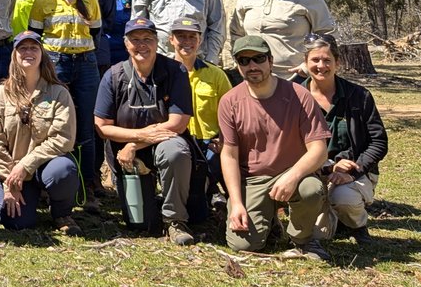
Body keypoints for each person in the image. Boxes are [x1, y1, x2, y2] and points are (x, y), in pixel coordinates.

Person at [218, 35, 331, 260]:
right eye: (244, 61)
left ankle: (303, 239)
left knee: (311, 189)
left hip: (293, 173)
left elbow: (319, 150)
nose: (252, 66)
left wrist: (292, 176)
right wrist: (237, 202)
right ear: (238, 66)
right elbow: (229, 155)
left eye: (258, 59)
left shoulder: (299, 95)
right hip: (253, 179)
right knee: (242, 245)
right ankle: (269, 221)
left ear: (270, 61)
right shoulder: (230, 101)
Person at [94, 19, 197, 245]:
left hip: (162, 143)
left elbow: (178, 123)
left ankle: (175, 220)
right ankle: (152, 201)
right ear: (125, 44)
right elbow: (102, 126)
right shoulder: (113, 75)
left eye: (148, 39)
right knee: (141, 224)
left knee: (174, 152)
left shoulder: (175, 71)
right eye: (135, 40)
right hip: (126, 156)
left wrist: (135, 143)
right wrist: (140, 137)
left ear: (157, 42)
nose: (142, 45)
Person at [28, 0, 103, 210]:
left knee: (85, 126)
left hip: (86, 63)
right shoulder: (42, 1)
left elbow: (96, 33)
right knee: (53, 123)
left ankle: (86, 186)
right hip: (55, 64)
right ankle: (52, 186)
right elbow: (35, 36)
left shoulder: (90, 1)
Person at [0, 32, 80, 233]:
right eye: (22, 48)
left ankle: (61, 213)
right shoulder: (0, 94)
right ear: (14, 55)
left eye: (34, 48)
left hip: (43, 166)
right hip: (10, 170)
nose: (28, 52)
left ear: (42, 54)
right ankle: (28, 196)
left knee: (63, 171)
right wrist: (8, 181)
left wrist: (26, 165)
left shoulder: (58, 92)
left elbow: (63, 138)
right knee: (16, 223)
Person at [302, 34, 388, 245]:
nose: (321, 66)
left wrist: (354, 171)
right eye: (315, 60)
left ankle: (357, 225)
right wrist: (327, 169)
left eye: (327, 60)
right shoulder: (295, 97)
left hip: (353, 170)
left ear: (337, 63)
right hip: (313, 170)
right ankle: (333, 218)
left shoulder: (359, 96)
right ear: (305, 62)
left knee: (344, 199)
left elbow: (378, 142)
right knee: (319, 235)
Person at [169, 15, 230, 210]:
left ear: (200, 40)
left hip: (210, 143)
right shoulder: (163, 73)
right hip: (177, 142)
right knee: (195, 209)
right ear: (171, 40)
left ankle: (220, 194)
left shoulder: (216, 74)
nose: (187, 42)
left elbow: (232, 114)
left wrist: (224, 139)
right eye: (181, 36)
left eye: (192, 37)